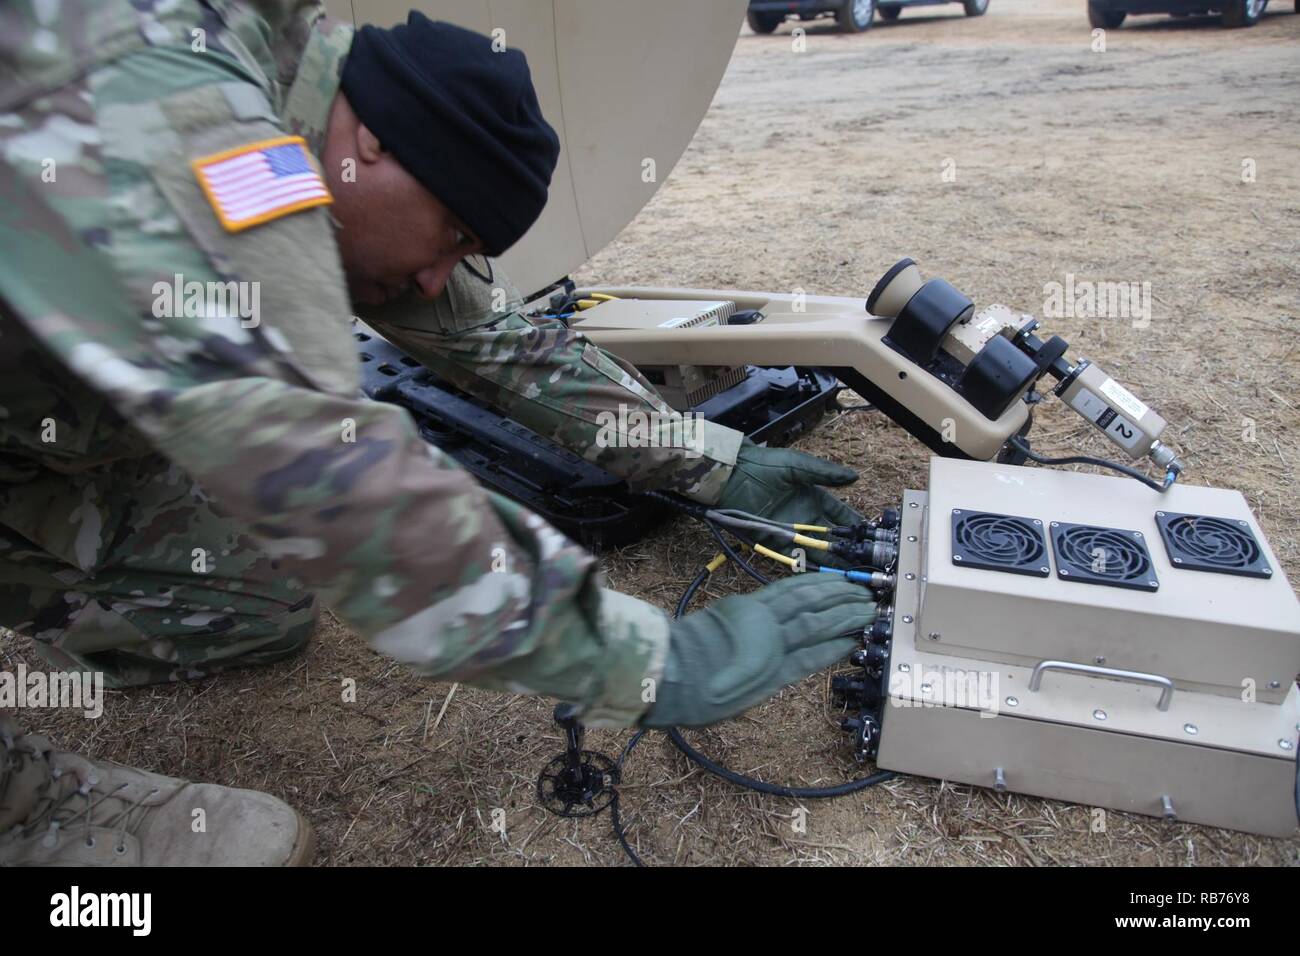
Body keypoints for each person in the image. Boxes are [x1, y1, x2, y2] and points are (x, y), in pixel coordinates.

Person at [0, 1, 875, 865]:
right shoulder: (182, 112)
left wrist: (718, 465)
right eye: (452, 236)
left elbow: (497, 343)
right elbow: (324, 475)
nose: (434, 276)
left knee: (255, 611)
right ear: (375, 146)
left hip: (37, 444)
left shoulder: (318, 94)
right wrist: (650, 661)